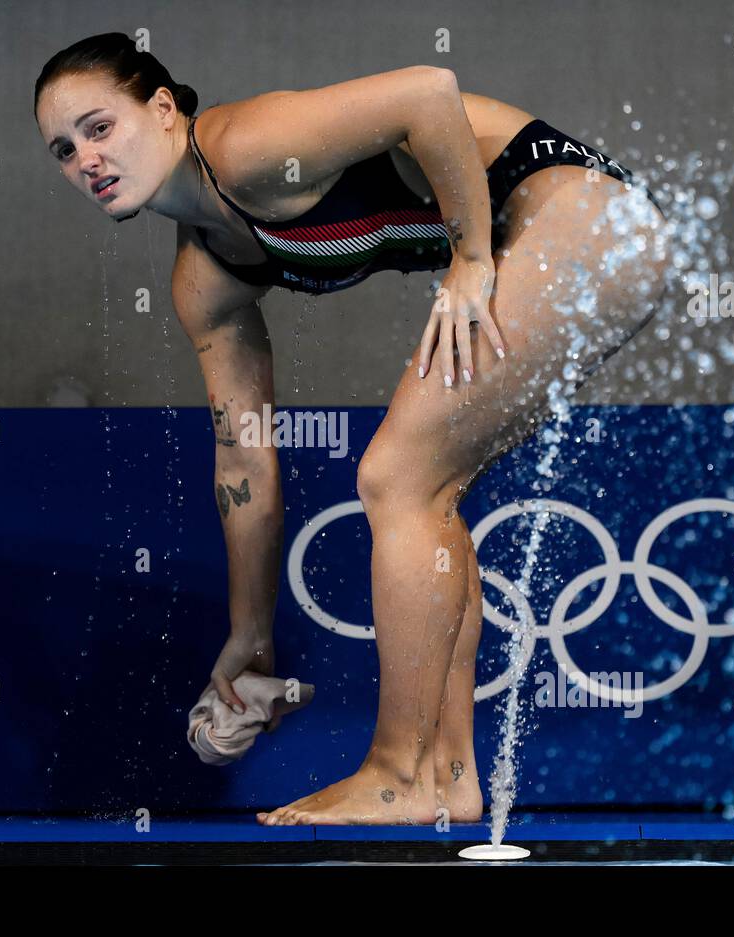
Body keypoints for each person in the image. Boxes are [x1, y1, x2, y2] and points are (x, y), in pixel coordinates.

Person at [34, 33, 669, 825]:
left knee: (395, 478)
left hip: (586, 221)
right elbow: (245, 462)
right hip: (565, 241)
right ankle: (446, 776)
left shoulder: (245, 146)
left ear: (163, 109)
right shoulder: (205, 277)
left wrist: (471, 259)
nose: (85, 159)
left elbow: (427, 91)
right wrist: (249, 638)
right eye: (63, 148)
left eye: (100, 128)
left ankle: (397, 771)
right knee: (425, 491)